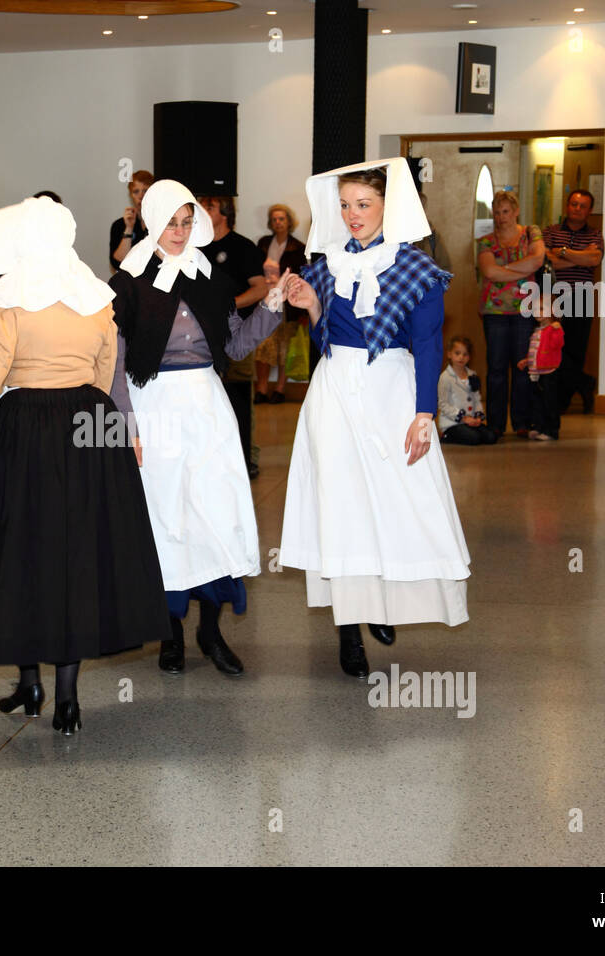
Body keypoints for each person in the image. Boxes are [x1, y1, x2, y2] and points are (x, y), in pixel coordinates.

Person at [0, 196, 170, 735]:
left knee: (22, 550)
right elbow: (104, 378)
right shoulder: (96, 298)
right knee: (78, 551)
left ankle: (29, 681)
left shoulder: (7, 302)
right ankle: (68, 699)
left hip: (26, 428)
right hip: (89, 425)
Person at [280, 158, 471, 680]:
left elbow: (428, 345)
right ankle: (350, 629)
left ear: (390, 206)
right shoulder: (326, 264)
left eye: (363, 204)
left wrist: (424, 413)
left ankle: (384, 602)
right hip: (334, 390)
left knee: (394, 499)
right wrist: (313, 307)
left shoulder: (416, 270)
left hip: (391, 389)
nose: (352, 215)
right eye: (344, 205)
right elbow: (325, 341)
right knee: (340, 505)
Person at [110, 180, 284, 677]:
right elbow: (116, 361)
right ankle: (169, 635)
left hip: (207, 406)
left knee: (214, 512)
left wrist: (272, 305)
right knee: (166, 519)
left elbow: (233, 346)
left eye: (188, 222)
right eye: (171, 222)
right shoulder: (128, 281)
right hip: (155, 405)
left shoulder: (209, 276)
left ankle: (211, 630)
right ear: (150, 222)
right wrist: (127, 424)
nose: (180, 232)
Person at [200, 195, 269, 478]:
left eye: (210, 207)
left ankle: (242, 458)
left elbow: (261, 288)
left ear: (224, 213)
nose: (204, 211)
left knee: (237, 398)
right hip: (203, 336)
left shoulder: (243, 247)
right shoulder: (196, 247)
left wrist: (230, 304)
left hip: (236, 330)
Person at [476, 190, 545, 438]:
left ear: (515, 211)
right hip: (494, 312)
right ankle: (495, 424)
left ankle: (521, 422)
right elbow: (489, 273)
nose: (501, 217)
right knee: (496, 369)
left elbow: (536, 261)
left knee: (522, 367)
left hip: (524, 310)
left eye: (505, 211)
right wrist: (519, 269)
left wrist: (503, 269)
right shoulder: (485, 241)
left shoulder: (530, 233)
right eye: (497, 212)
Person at [543, 188, 603, 414]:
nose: (577, 209)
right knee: (556, 348)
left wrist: (564, 252)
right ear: (567, 206)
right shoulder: (551, 231)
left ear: (590, 210)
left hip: (582, 297)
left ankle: (563, 399)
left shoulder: (595, 235)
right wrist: (580, 258)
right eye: (574, 204)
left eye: (582, 206)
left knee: (575, 351)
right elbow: (546, 262)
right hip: (554, 296)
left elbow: (595, 258)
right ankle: (583, 383)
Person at [255, 204, 308, 404]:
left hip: (288, 306)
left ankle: (280, 389)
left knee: (284, 348)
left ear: (289, 222)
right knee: (263, 345)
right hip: (266, 301)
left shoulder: (298, 247)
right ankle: (261, 388)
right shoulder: (262, 243)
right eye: (274, 219)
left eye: (282, 219)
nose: (278, 222)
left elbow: (301, 278)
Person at [517, 294, 564, 441]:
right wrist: (528, 360)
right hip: (536, 372)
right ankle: (539, 427)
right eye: (535, 309)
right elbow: (537, 350)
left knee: (549, 402)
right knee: (537, 402)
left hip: (548, 372)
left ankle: (551, 430)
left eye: (542, 308)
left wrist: (556, 330)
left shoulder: (553, 329)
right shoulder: (537, 330)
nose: (538, 312)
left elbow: (556, 345)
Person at [438, 336, 497, 445]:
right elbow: (443, 404)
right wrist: (463, 418)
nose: (461, 357)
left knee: (491, 437)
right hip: (452, 423)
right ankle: (446, 435)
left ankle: (470, 429)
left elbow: (477, 399)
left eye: (465, 354)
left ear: (469, 357)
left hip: (470, 420)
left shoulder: (472, 375)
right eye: (457, 353)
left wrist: (478, 416)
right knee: (474, 439)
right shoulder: (445, 377)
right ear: (449, 354)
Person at [109, 169, 154, 272]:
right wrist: (129, 228)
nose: (141, 196)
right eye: (136, 191)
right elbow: (117, 263)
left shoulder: (163, 222)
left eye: (145, 190)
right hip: (129, 282)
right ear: (131, 195)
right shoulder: (119, 225)